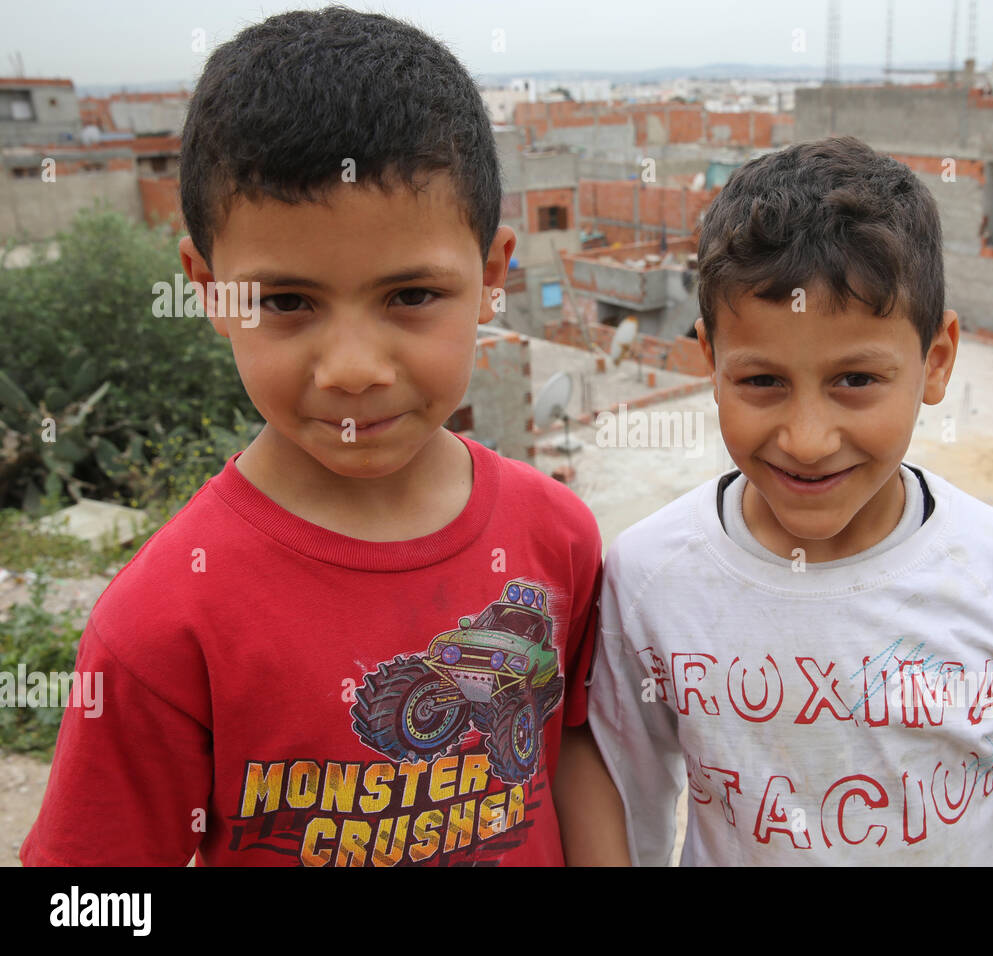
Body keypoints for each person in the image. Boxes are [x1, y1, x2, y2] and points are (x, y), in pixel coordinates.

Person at [21, 6, 618, 867]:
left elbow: (569, 744)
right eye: (287, 302)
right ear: (210, 290)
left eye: (411, 295)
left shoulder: (557, 537)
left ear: (493, 278)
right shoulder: (159, 622)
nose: (351, 368)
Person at [585, 136, 993, 865]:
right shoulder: (649, 576)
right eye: (762, 382)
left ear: (935, 362)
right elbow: (628, 808)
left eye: (856, 381)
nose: (807, 441)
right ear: (710, 359)